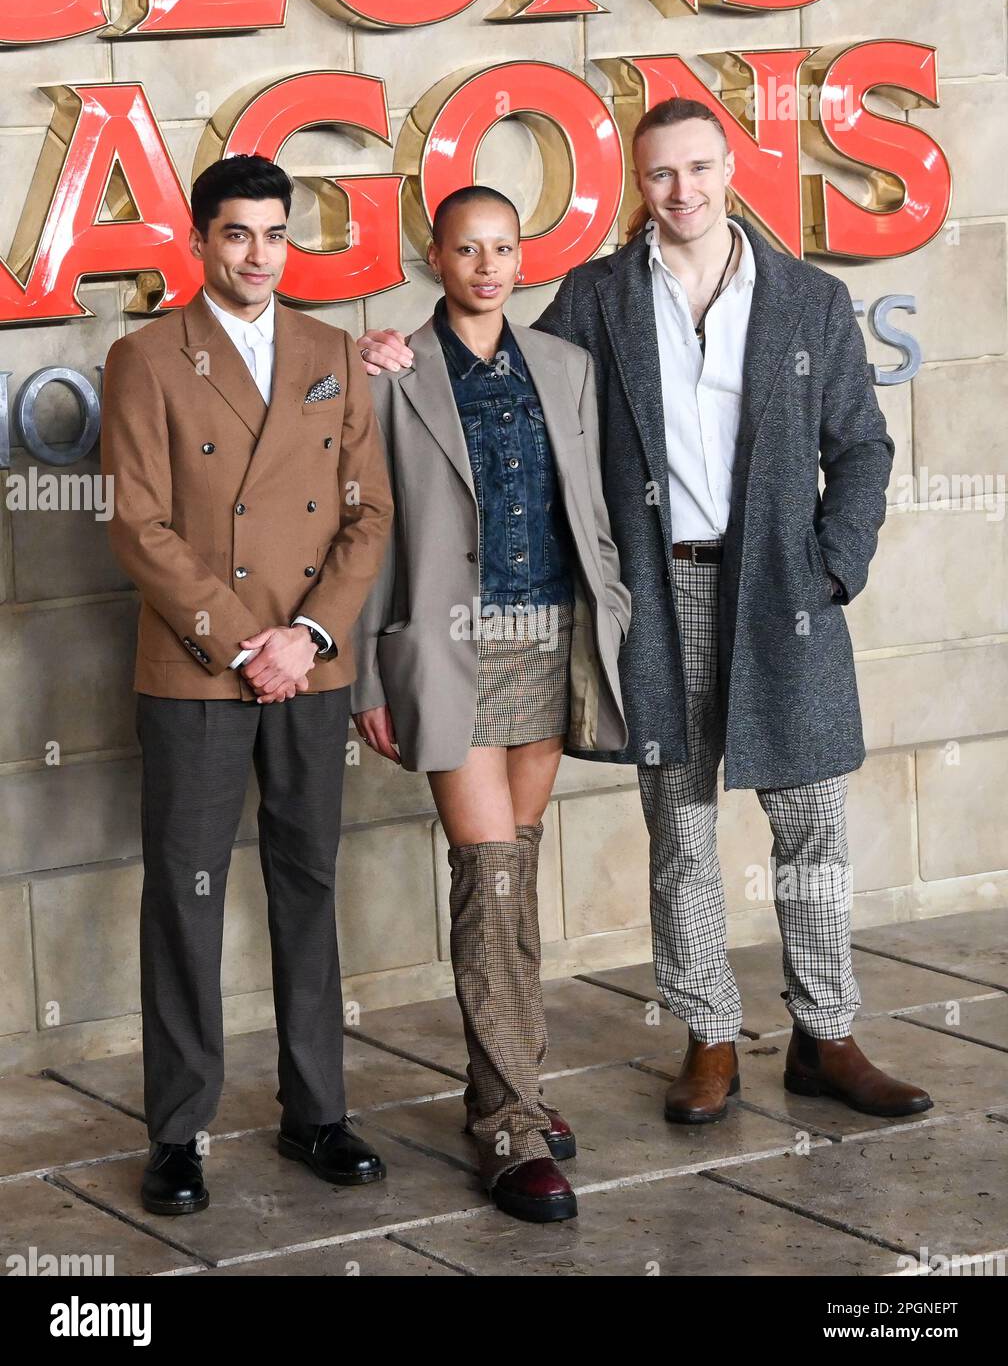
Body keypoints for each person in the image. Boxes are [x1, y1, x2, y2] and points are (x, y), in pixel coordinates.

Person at [357, 99, 932, 1127]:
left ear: (730, 167)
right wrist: (396, 367)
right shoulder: (598, 297)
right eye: (662, 174)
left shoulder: (809, 299)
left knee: (810, 819)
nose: (684, 191)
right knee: (681, 825)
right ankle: (709, 1032)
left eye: (700, 168)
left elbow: (863, 449)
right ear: (640, 183)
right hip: (658, 593)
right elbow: (505, 390)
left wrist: (832, 567)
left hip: (781, 592)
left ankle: (826, 1030)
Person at [100, 153, 394, 1216]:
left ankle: (316, 1108)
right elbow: (139, 522)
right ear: (200, 242)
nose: (258, 255)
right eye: (236, 234)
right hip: (196, 668)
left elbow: (368, 513)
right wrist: (243, 639)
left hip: (309, 664)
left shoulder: (330, 351)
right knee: (187, 895)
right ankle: (178, 1130)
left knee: (309, 881)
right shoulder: (143, 357)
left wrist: (306, 637)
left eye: (274, 234)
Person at [352, 186, 630, 1223]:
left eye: (505, 248)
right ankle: (510, 1124)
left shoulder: (565, 366)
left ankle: (508, 1082)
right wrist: (372, 677)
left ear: (524, 256)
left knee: (519, 863)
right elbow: (365, 532)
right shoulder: (389, 371)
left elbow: (591, 513)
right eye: (467, 248)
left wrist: (616, 625)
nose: (487, 265)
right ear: (437, 256)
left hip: (550, 641)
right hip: (451, 650)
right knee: (490, 878)